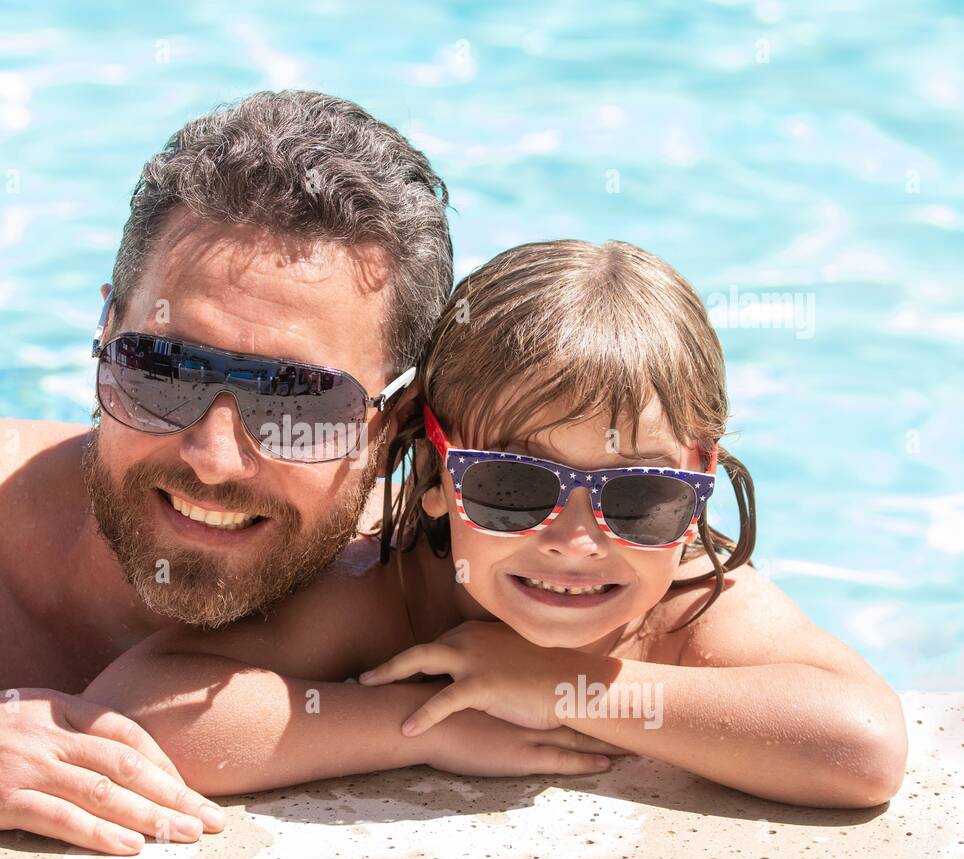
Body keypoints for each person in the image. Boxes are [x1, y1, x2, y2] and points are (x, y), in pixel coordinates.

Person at [0, 90, 554, 854]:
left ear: (392, 425)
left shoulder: (461, 552)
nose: (213, 458)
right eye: (161, 370)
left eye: (296, 405)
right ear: (104, 337)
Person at [90, 240, 907, 809]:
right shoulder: (391, 590)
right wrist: (422, 731)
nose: (578, 539)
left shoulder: (688, 596)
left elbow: (861, 747)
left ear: (697, 481)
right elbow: (137, 712)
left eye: (639, 498)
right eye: (513, 487)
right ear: (435, 474)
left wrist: (566, 692)